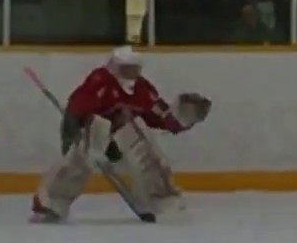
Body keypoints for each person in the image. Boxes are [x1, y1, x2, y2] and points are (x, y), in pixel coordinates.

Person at [32, 46, 212, 223]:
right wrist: (70, 137)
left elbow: (159, 116)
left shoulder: (143, 89)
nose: (131, 74)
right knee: (82, 152)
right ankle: (52, 202)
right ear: (114, 67)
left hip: (122, 137)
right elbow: (76, 111)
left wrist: (183, 118)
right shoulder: (99, 81)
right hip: (95, 134)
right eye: (126, 69)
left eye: (135, 69)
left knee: (143, 139)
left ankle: (160, 200)